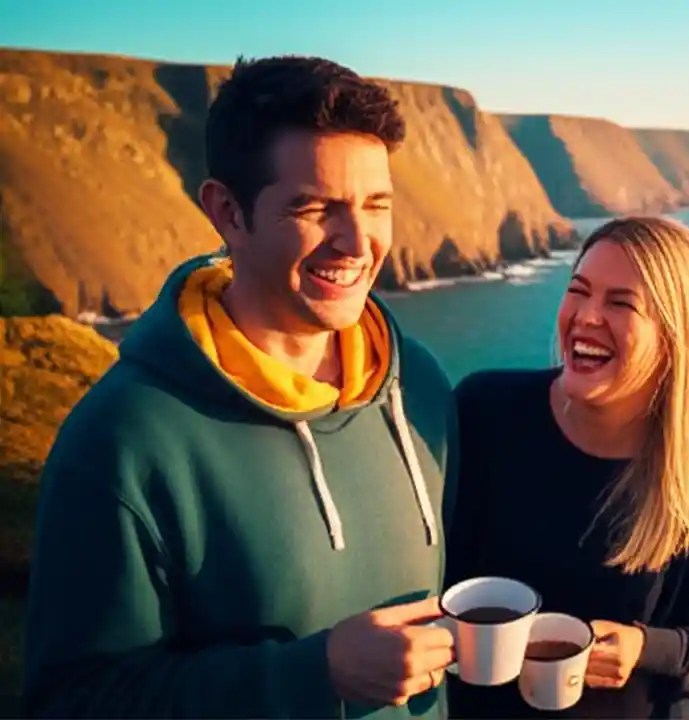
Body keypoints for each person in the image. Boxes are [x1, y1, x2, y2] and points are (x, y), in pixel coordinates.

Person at [22, 56, 458, 719]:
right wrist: (313, 674)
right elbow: (74, 701)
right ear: (227, 211)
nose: (356, 241)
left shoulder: (418, 383)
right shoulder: (121, 441)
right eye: (314, 208)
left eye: (376, 205)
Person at [445, 216, 689, 719]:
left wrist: (645, 648)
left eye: (620, 303)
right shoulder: (484, 411)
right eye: (578, 290)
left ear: (676, 335)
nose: (586, 316)